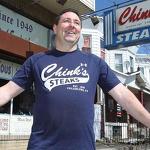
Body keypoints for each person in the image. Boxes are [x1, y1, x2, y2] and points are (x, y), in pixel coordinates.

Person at [0, 9, 150, 150]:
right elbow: (6, 92)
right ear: (55, 28)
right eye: (66, 21)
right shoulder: (37, 61)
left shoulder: (95, 63)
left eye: (77, 23)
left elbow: (123, 95)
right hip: (42, 146)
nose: (72, 25)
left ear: (80, 31)